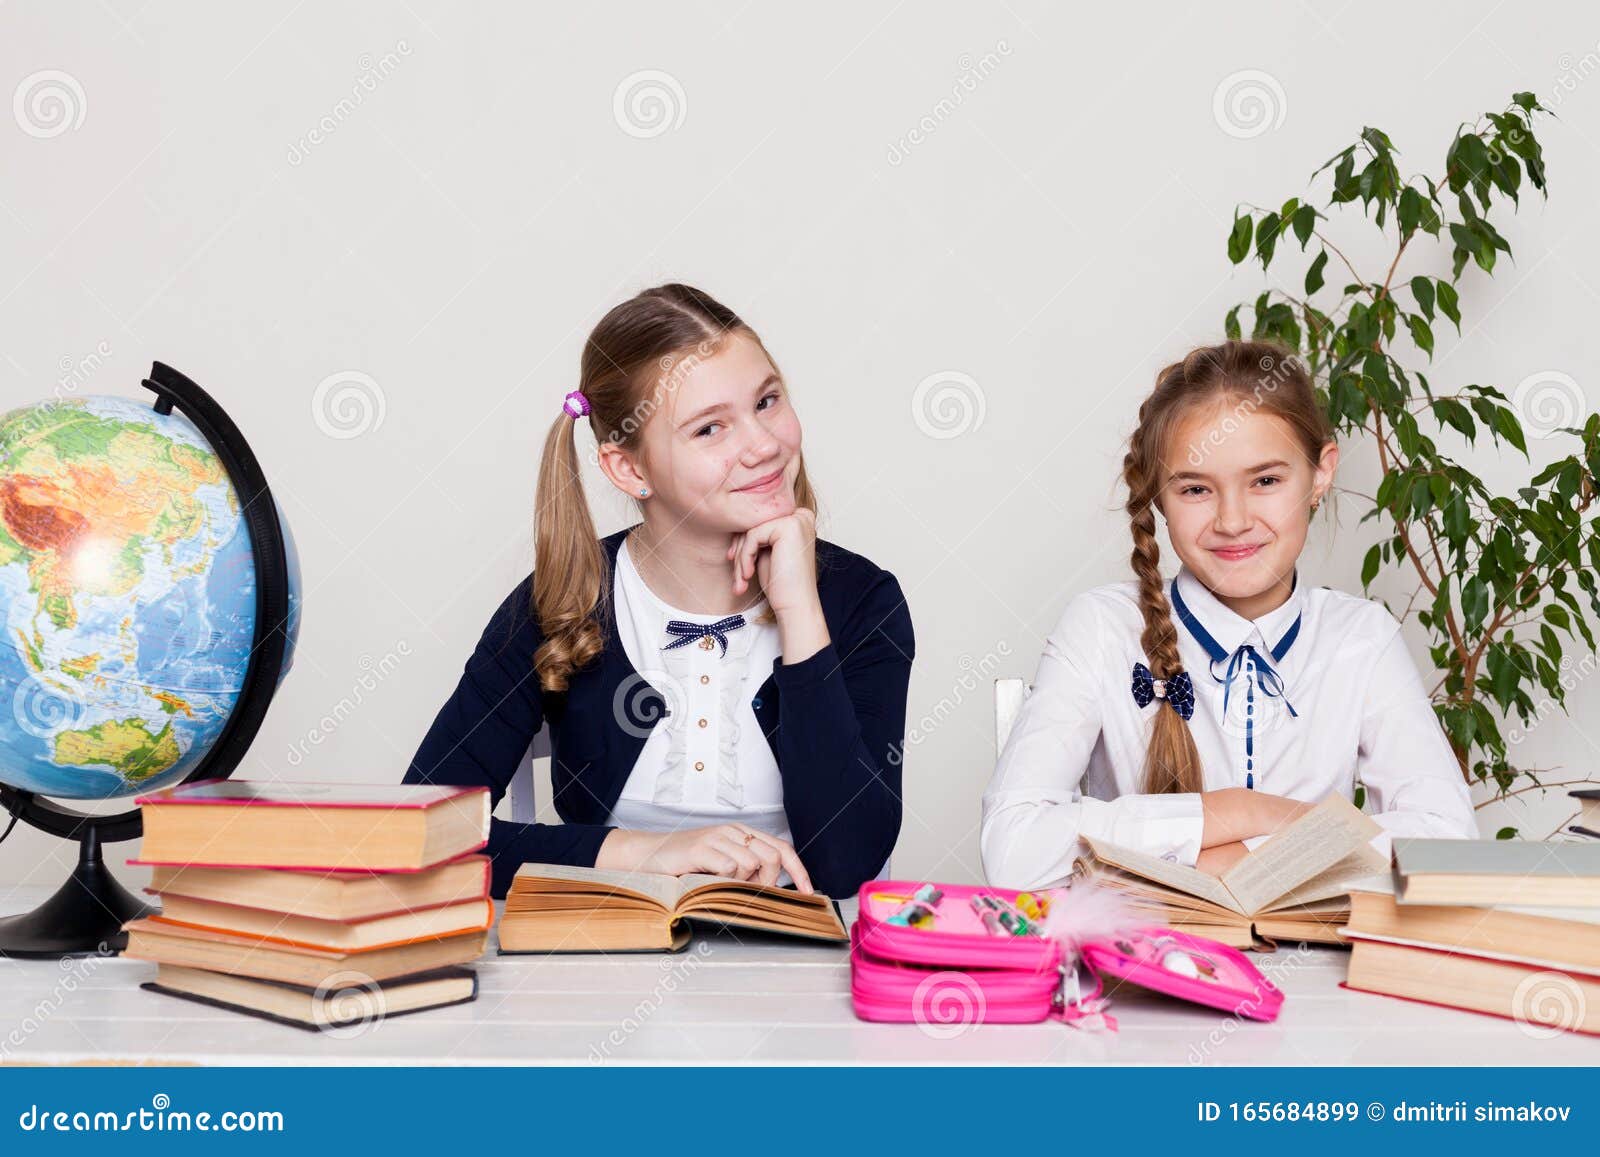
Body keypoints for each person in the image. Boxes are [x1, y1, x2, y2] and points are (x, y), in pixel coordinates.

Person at [405, 284, 914, 899]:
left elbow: (846, 860)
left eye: (768, 401)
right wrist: (642, 853)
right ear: (629, 468)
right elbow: (421, 832)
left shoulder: (862, 601)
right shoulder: (562, 600)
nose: (764, 444)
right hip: (603, 961)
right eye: (709, 430)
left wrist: (800, 611)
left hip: (797, 971)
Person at [981, 340, 1477, 891]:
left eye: (1265, 481)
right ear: (1159, 498)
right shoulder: (1101, 628)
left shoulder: (1362, 637)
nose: (1233, 520)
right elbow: (1014, 850)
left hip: (1314, 972)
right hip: (1146, 967)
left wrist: (1214, 860)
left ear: (1320, 474)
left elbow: (1444, 844)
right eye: (1196, 489)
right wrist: (1241, 811)